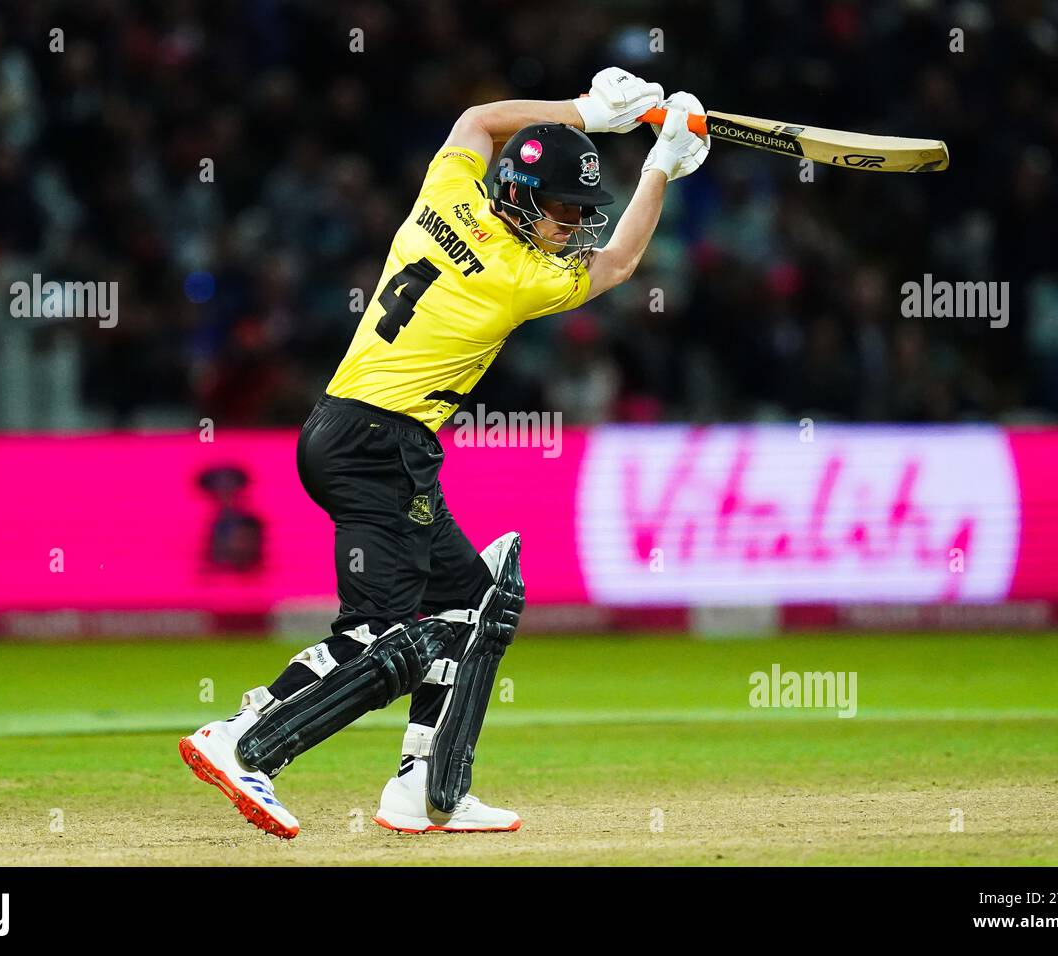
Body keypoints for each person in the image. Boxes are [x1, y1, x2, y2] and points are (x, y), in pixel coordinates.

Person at [180, 67, 709, 838]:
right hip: (377, 442)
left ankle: (428, 786)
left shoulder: (448, 197)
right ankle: (242, 741)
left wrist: (586, 113)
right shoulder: (517, 275)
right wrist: (661, 164)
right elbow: (622, 263)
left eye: (581, 211)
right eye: (565, 210)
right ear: (524, 200)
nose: (574, 225)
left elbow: (476, 120)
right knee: (381, 636)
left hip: (360, 432)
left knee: (477, 601)